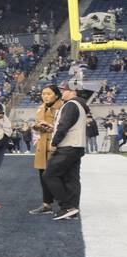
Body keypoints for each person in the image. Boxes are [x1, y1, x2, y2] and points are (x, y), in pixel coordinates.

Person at [45, 78, 94, 222]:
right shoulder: (80, 105)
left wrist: (54, 142)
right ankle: (72, 209)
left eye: (63, 90)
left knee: (50, 175)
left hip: (67, 147)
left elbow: (64, 126)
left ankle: (67, 207)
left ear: (72, 91)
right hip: (76, 146)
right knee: (72, 179)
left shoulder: (71, 105)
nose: (61, 92)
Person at [29, 84, 63, 215]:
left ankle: (65, 205)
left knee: (58, 176)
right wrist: (37, 126)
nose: (45, 96)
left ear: (56, 95)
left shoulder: (62, 107)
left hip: (56, 145)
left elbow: (64, 126)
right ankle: (46, 204)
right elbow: (39, 126)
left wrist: (52, 127)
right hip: (42, 146)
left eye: (48, 93)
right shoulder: (40, 108)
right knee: (43, 176)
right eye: (43, 94)